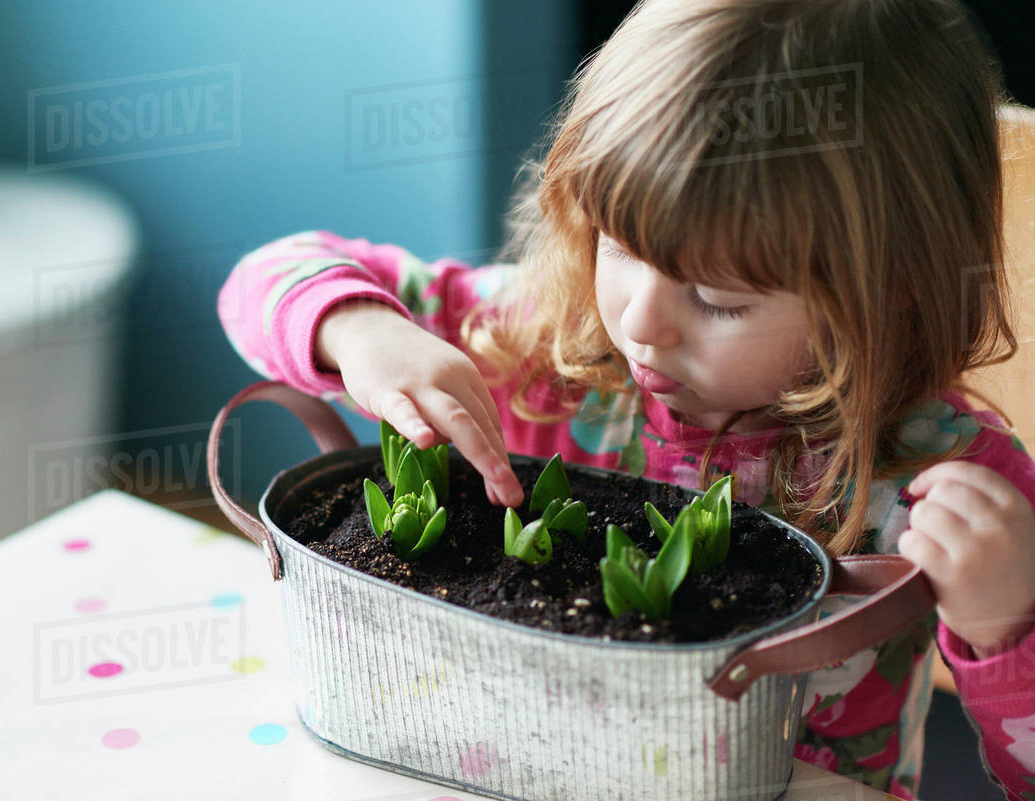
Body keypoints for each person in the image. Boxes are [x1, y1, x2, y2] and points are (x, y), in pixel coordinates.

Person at [217, 0, 1035, 797]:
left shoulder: (949, 473)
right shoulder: (539, 344)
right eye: (617, 244)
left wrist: (1006, 626)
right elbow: (267, 274)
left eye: (718, 297)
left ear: (888, 290)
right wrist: (359, 331)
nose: (640, 322)